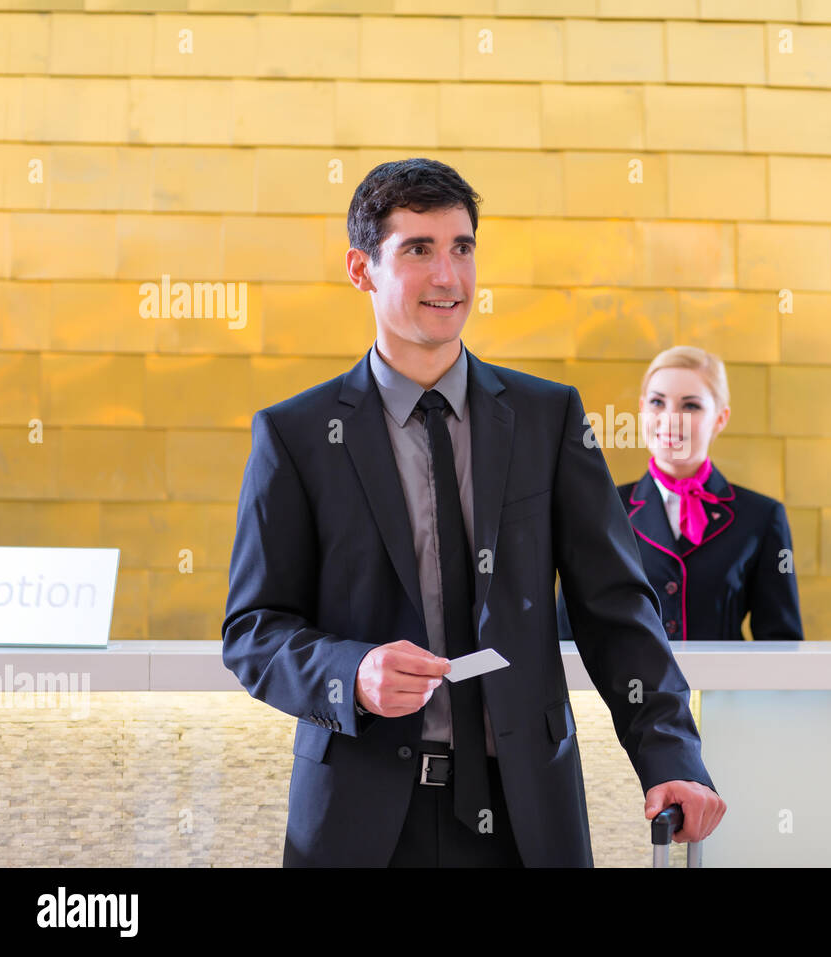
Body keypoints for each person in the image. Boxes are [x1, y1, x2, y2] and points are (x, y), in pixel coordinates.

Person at [221, 158, 726, 867]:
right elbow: (253, 631)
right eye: (418, 249)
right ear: (361, 269)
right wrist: (352, 671)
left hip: (527, 818)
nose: (448, 276)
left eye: (462, 247)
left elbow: (615, 607)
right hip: (361, 824)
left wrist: (670, 751)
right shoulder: (297, 436)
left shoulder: (548, 418)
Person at [557, 347, 804, 642]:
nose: (671, 418)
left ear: (720, 418)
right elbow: (568, 638)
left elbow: (781, 647)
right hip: (626, 689)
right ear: (642, 409)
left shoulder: (762, 517)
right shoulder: (600, 510)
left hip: (720, 687)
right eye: (657, 402)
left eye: (690, 406)